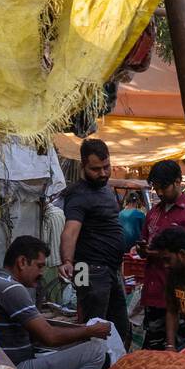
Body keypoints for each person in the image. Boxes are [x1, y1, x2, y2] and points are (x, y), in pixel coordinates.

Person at [0, 235, 110, 369]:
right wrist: (91, 331)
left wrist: (79, 330)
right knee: (97, 350)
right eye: (40, 266)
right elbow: (50, 337)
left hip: (3, 364)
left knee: (76, 342)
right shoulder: (11, 289)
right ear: (22, 262)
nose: (42, 273)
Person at [59, 139, 131, 347]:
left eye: (106, 167)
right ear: (83, 166)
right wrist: (66, 260)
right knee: (93, 325)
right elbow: (70, 231)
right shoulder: (78, 195)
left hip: (109, 269)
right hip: (88, 268)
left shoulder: (106, 189)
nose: (103, 173)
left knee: (119, 326)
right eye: (96, 169)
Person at [139, 159, 185, 350]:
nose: (160, 193)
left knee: (184, 351)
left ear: (178, 181)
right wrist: (143, 250)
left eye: (164, 187)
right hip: (154, 292)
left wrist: (174, 254)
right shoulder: (153, 213)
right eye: (156, 188)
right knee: (155, 352)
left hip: (183, 294)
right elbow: (146, 242)